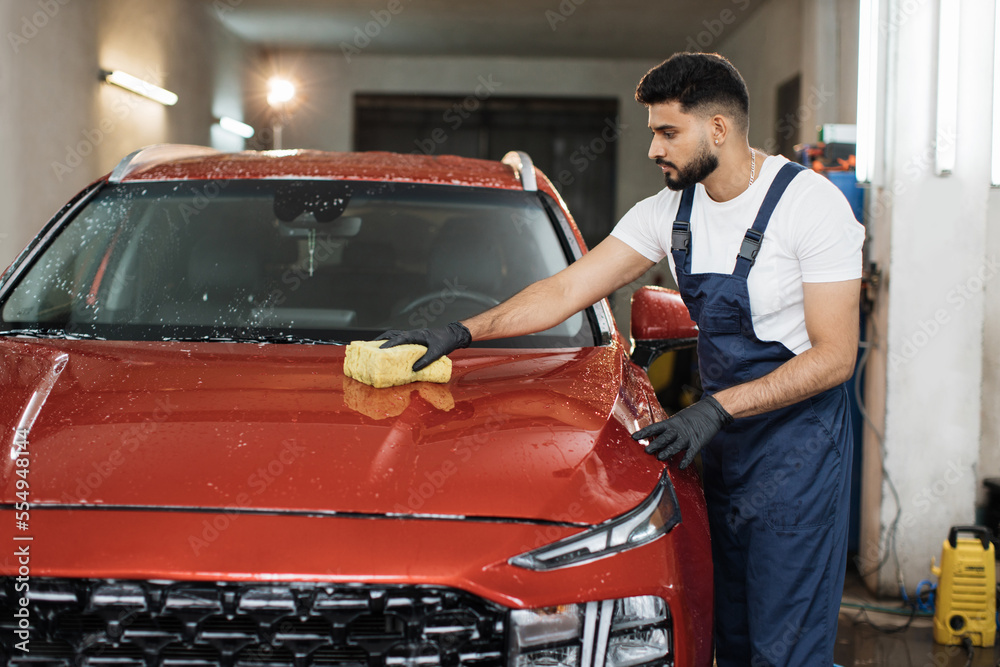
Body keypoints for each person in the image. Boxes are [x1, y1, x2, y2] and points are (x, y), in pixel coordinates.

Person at [378, 52, 864, 666]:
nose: (654, 148)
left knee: (784, 645)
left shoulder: (810, 207)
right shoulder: (670, 211)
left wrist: (715, 409)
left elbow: (834, 357)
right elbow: (564, 291)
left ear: (717, 129)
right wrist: (460, 330)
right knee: (730, 633)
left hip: (799, 450)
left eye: (668, 132)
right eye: (653, 132)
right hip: (722, 444)